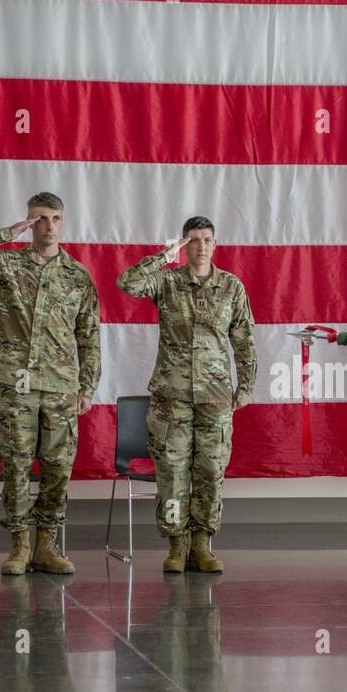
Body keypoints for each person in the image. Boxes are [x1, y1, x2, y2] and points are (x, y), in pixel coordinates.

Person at [0, 192, 101, 575]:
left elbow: (89, 335)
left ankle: (46, 545)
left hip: (62, 384)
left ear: (63, 222)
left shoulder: (77, 275)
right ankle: (19, 546)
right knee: (16, 464)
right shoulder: (6, 263)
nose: (47, 226)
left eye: (53, 218)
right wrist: (7, 233)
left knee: (57, 465)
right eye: (38, 219)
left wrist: (88, 385)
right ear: (29, 222)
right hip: (16, 380)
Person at [117, 216, 257, 573]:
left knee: (211, 471)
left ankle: (202, 545)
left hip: (215, 397)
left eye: (206, 239)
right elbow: (128, 283)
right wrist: (165, 256)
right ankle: (176, 545)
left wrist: (246, 388)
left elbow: (244, 341)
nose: (200, 246)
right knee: (173, 473)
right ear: (184, 245)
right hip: (172, 396)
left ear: (215, 244)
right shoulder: (166, 282)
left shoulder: (231, 287)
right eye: (192, 240)